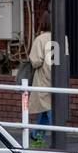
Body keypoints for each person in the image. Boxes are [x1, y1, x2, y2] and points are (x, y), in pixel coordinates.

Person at [28, 11, 54, 144]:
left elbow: (35, 61)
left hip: (43, 77)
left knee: (48, 107)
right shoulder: (62, 37)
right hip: (57, 77)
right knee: (47, 107)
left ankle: (56, 136)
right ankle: (36, 134)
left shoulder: (40, 39)